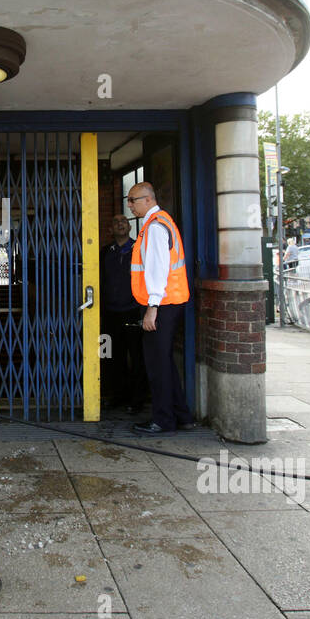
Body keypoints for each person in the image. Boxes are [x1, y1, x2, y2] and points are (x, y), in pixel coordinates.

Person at [126, 182, 202, 434]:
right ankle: (182, 416)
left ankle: (163, 420)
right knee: (165, 362)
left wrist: (152, 307)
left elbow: (157, 269)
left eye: (133, 199)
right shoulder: (159, 223)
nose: (130, 204)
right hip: (168, 303)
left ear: (147, 200)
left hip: (162, 304)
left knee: (157, 365)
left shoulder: (156, 227)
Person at [100, 214, 147, 414]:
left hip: (132, 312)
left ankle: (137, 400)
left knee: (136, 357)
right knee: (110, 356)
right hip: (110, 313)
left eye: (123, 221)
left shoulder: (139, 249)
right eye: (115, 221)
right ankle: (116, 396)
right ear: (111, 228)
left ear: (129, 227)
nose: (120, 224)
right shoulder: (105, 252)